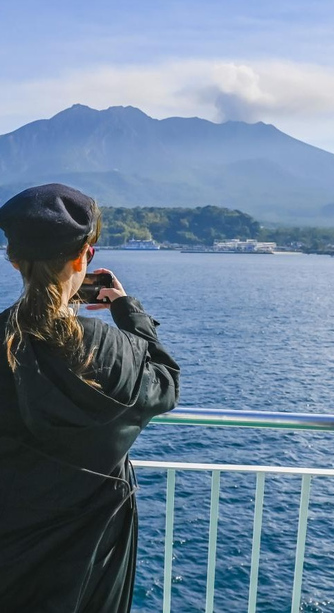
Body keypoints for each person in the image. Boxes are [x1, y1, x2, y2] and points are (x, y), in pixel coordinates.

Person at [0, 183, 180, 613]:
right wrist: (126, 310)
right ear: (84, 258)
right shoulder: (117, 353)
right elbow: (166, 383)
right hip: (91, 569)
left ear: (13, 260)